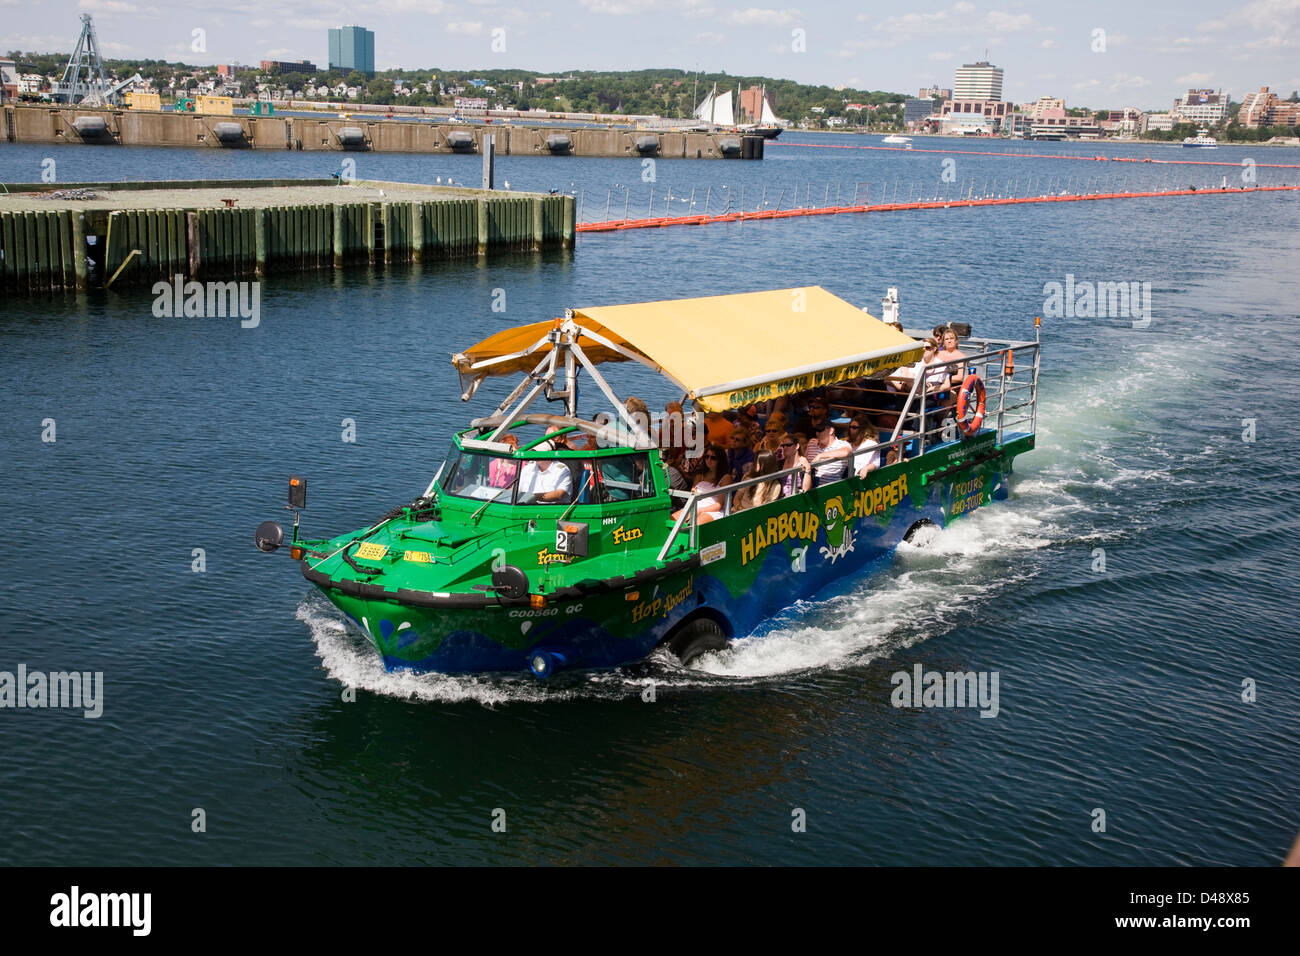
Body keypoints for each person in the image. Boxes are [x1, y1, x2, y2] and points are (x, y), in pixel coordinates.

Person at [671, 444, 730, 523]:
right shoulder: (699, 476)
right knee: (672, 519)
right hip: (695, 507)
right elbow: (692, 497)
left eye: (713, 458)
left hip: (714, 511)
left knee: (695, 524)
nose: (709, 460)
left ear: (720, 460)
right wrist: (693, 510)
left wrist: (700, 511)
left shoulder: (726, 478)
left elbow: (719, 505)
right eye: (706, 456)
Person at [774, 432, 812, 496]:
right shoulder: (780, 463)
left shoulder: (804, 463)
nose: (785, 448)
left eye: (788, 445)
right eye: (783, 446)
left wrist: (808, 469)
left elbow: (806, 489)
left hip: (798, 499)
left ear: (797, 446)